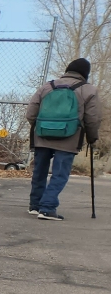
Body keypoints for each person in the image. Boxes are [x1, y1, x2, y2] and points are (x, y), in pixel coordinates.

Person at [24, 58, 102, 221]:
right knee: (59, 174)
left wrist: (41, 127)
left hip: (42, 136)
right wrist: (92, 138)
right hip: (69, 138)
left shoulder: (47, 86)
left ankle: (35, 206)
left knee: (39, 171)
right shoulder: (88, 90)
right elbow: (92, 119)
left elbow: (31, 113)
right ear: (85, 74)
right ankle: (47, 208)